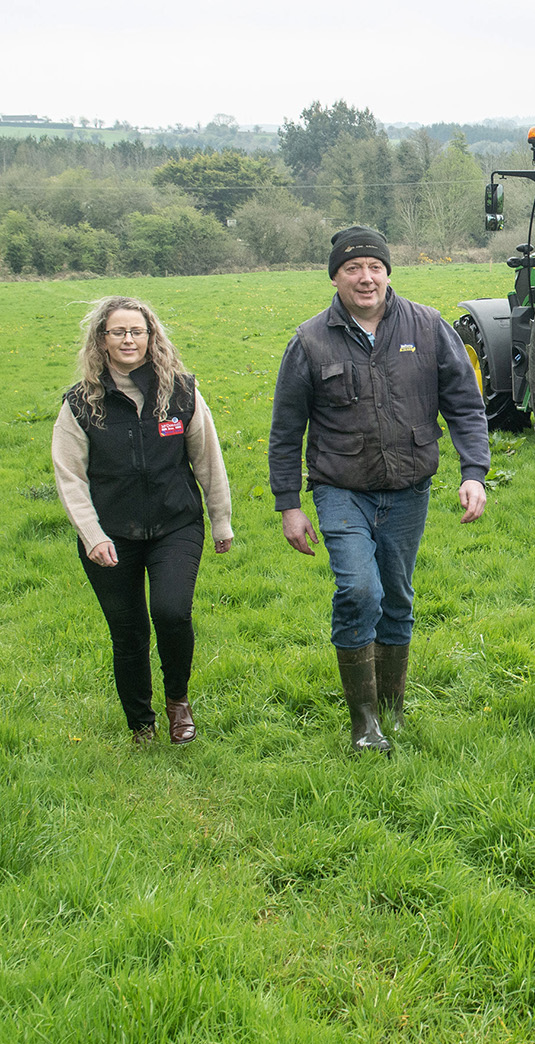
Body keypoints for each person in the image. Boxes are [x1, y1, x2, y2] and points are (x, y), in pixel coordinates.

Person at [269, 227, 490, 755]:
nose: (365, 278)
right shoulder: (309, 340)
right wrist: (288, 505)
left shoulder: (428, 325)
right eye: (352, 268)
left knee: (396, 598)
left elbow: (464, 402)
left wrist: (474, 471)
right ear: (335, 276)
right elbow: (285, 429)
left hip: (408, 486)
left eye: (374, 266)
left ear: (388, 272)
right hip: (340, 487)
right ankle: (364, 723)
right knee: (359, 591)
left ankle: (391, 706)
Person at [52, 296, 234, 745]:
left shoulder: (181, 391)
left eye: (137, 331)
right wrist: (92, 535)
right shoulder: (81, 403)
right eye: (118, 332)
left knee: (171, 612)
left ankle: (178, 703)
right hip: (110, 534)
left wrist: (221, 521)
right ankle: (140, 724)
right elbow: (70, 476)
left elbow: (208, 460)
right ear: (102, 340)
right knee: (128, 630)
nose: (128, 339)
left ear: (151, 338)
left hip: (176, 524)